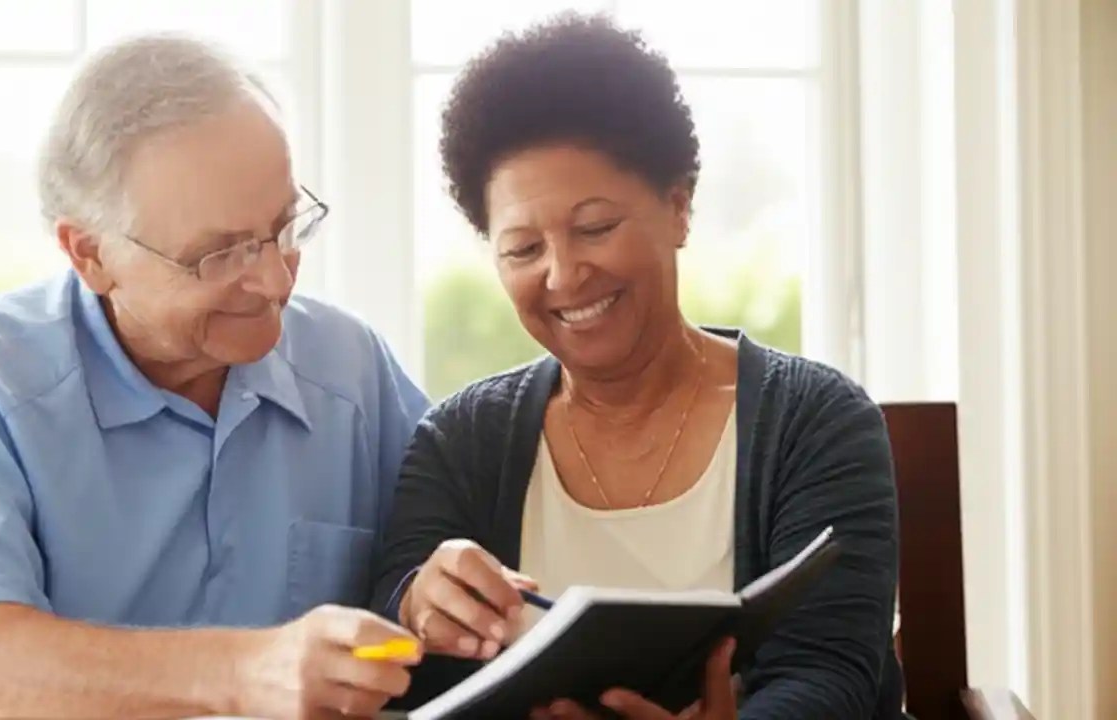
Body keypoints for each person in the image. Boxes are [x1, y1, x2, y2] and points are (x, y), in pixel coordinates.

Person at [0, 35, 429, 720]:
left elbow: (438, 552)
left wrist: (436, 587)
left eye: (283, 226)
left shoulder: (349, 366)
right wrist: (249, 673)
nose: (274, 280)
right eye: (219, 255)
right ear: (89, 253)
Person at [372, 14, 901, 720]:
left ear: (679, 207)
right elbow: (389, 651)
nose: (563, 276)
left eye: (595, 228)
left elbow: (829, 675)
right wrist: (415, 608)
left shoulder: (816, 420)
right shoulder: (459, 441)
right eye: (524, 249)